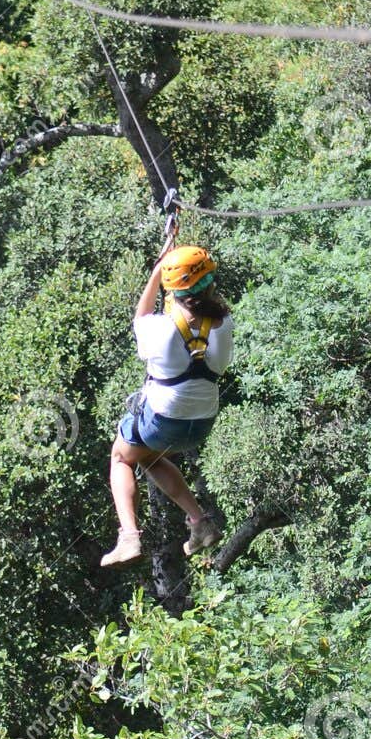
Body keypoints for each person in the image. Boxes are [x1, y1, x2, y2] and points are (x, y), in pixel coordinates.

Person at [101, 243, 233, 568]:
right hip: (202, 422)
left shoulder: (159, 329)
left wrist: (158, 270)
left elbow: (141, 316)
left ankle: (129, 535)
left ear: (172, 289)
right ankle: (199, 522)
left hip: (163, 420)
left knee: (121, 457)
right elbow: (202, 308)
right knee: (149, 459)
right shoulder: (225, 322)